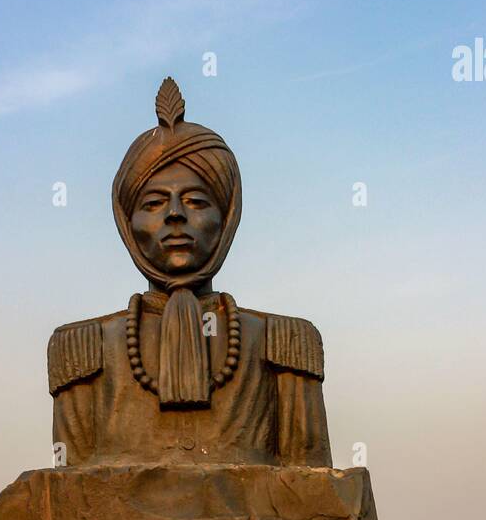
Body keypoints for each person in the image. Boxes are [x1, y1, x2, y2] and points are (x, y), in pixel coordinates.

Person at [48, 78, 332, 469]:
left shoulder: (281, 345)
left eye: (197, 200)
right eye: (154, 202)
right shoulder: (84, 349)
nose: (175, 214)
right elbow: (68, 504)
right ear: (127, 223)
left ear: (227, 216)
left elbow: (317, 495)